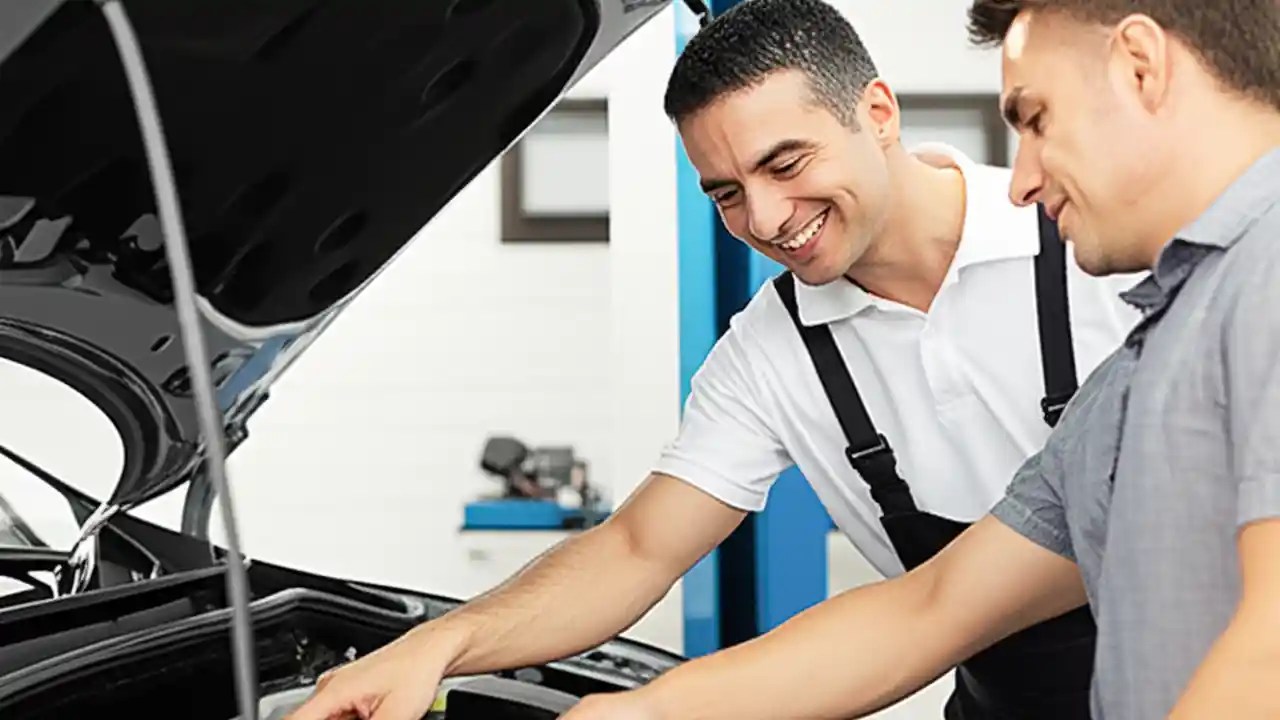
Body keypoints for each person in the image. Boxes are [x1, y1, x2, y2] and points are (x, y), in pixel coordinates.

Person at [285, 1, 1141, 719]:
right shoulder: (771, 351)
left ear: (877, 113)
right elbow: (636, 547)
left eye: (786, 163)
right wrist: (440, 646)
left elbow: (931, 612)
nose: (766, 218)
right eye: (726, 191)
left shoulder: (1099, 244)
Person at [556, 0, 1280, 719]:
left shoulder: (1262, 283)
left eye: (1036, 120)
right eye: (729, 193)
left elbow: (1268, 648)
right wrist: (646, 712)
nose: (1022, 179)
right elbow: (930, 609)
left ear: (1141, 69)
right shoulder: (1137, 373)